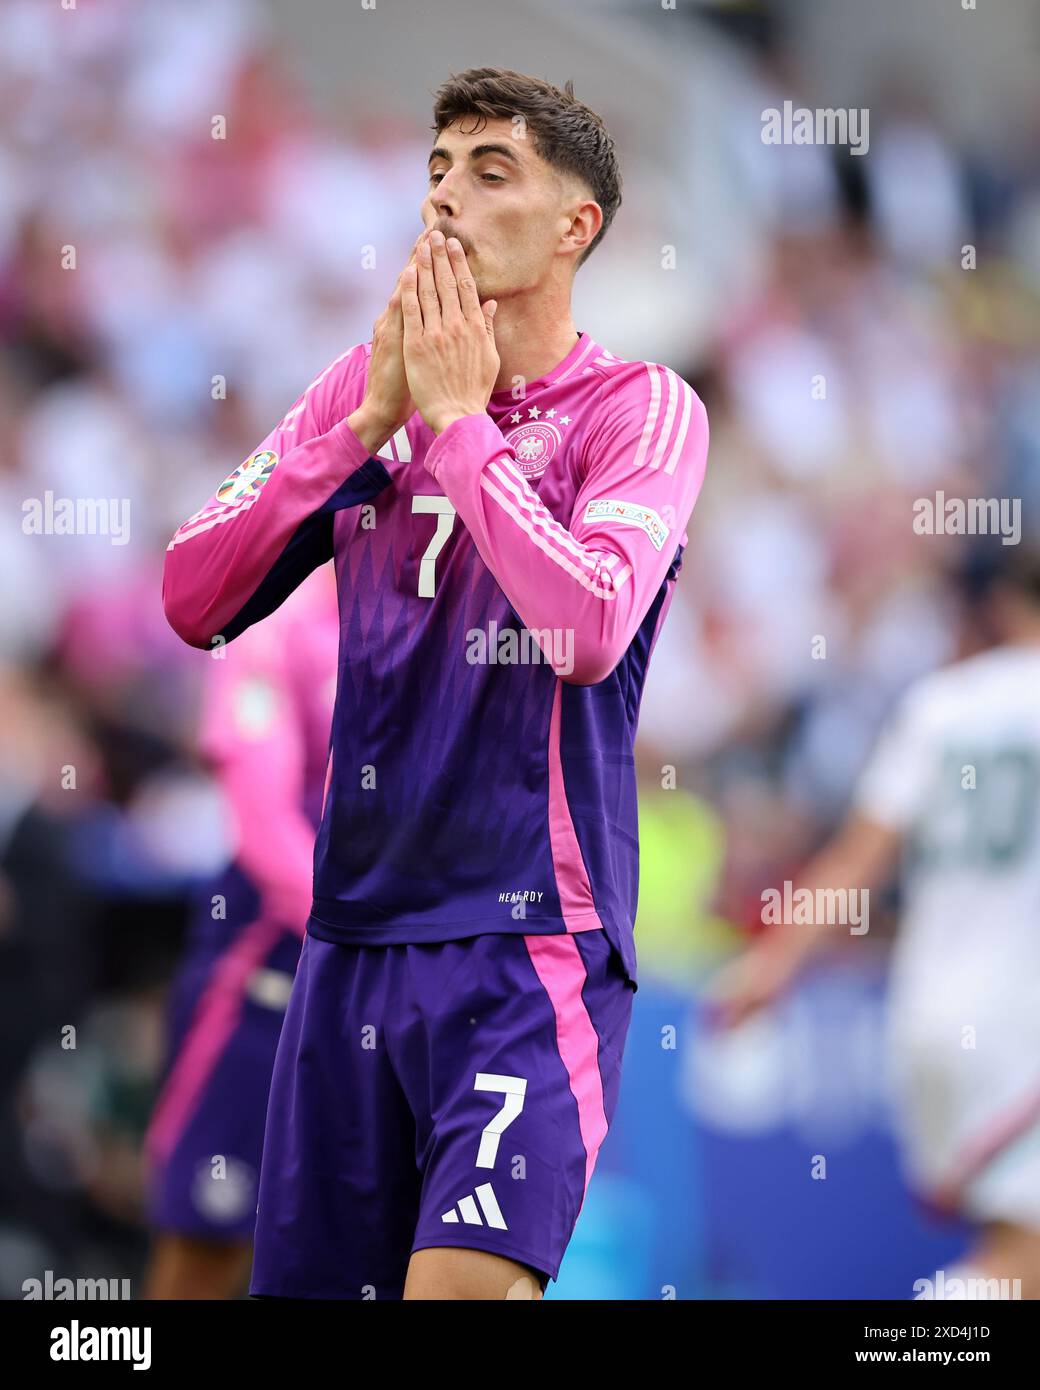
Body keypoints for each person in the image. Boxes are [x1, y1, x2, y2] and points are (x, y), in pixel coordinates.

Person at [162, 67, 709, 1300]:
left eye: (490, 170)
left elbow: (584, 626)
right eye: (436, 169)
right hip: (351, 943)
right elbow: (192, 595)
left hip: (528, 945)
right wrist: (364, 430)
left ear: (578, 226)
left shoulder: (642, 409)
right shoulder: (366, 393)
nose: (447, 197)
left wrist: (460, 431)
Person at [712, 545, 1040, 1300]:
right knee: (1020, 1260)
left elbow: (855, 859)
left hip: (933, 1010)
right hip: (1024, 1017)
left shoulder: (942, 705)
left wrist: (771, 966)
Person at [143, 567, 339, 1298]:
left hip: (388, 969)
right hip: (272, 968)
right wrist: (359, 934)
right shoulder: (276, 626)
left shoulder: (450, 621)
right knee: (207, 1241)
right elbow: (261, 822)